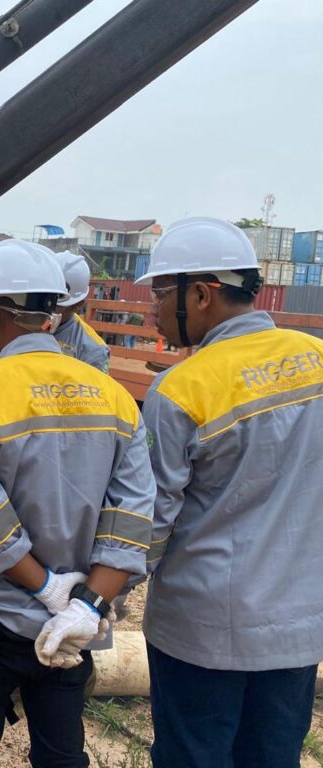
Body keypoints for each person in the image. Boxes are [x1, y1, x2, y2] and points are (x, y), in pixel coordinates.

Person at [0, 239, 154, 768]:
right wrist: (85, 605)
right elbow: (133, 517)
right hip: (73, 629)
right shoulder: (116, 397)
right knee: (61, 755)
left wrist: (46, 587)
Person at [136, 217, 323, 767]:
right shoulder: (317, 357)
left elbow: (151, 520)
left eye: (160, 294)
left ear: (201, 294)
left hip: (203, 632)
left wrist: (105, 593)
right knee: (272, 756)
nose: (152, 310)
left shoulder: (182, 389)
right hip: (299, 627)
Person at [52, 250, 110, 372]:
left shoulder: (92, 350)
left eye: (56, 306)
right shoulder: (21, 322)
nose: (46, 310)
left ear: (77, 305)